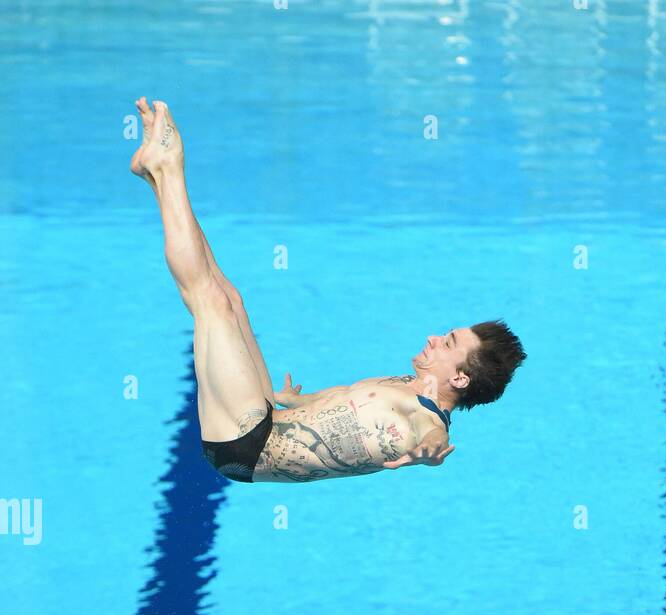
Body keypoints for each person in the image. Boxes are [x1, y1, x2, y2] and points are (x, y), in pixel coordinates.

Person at [131, 98, 526, 485]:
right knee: (231, 300)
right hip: (264, 418)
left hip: (246, 446)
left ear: (459, 379)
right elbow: (347, 396)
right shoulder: (406, 382)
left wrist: (432, 452)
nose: (433, 338)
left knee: (210, 304)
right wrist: (298, 401)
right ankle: (155, 177)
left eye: (448, 343)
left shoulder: (425, 418)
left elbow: (433, 440)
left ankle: (169, 167)